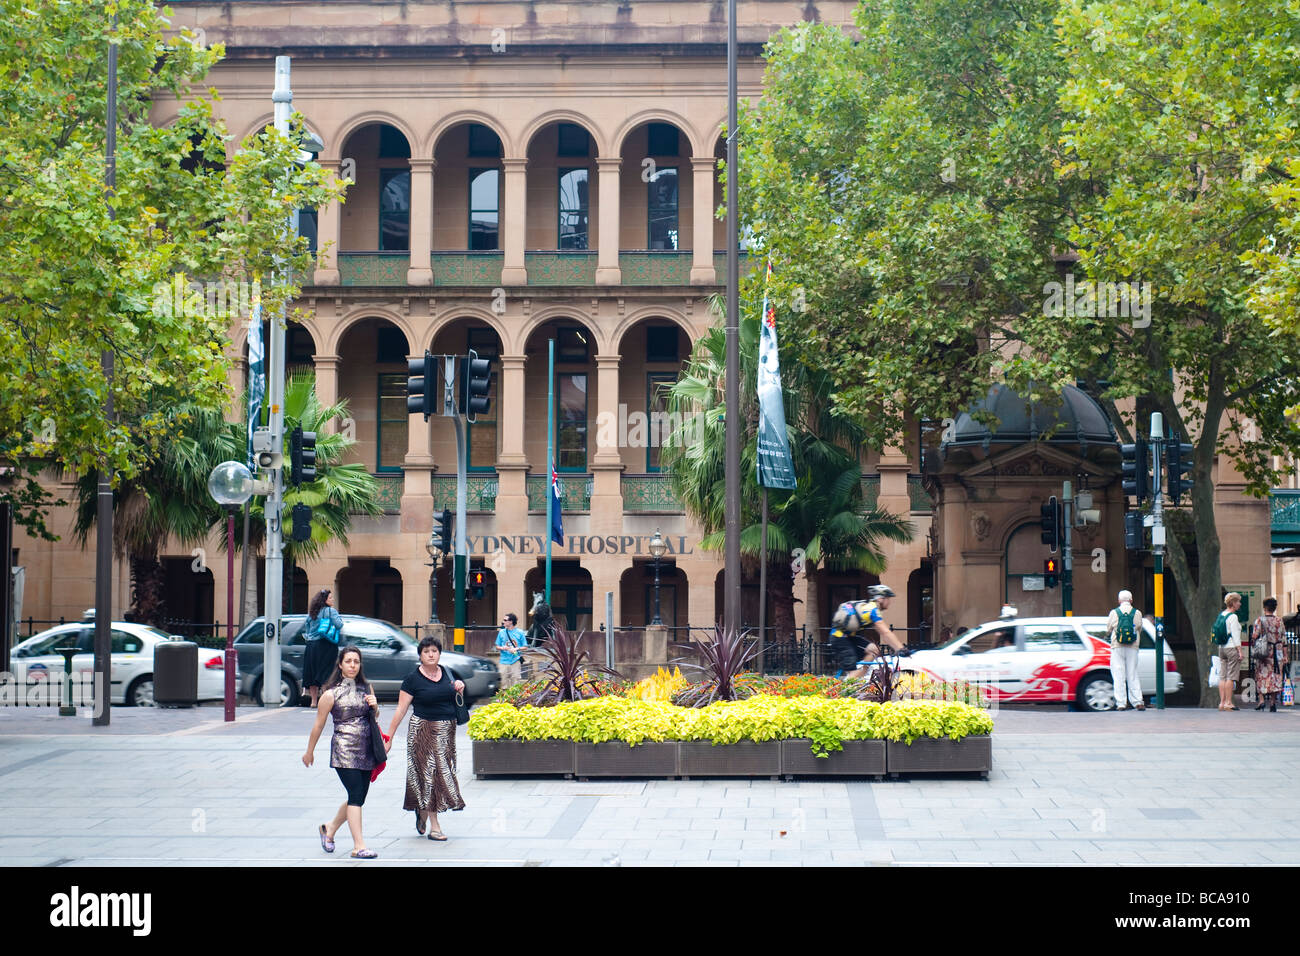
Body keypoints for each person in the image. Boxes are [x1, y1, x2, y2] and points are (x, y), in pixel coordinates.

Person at [302, 645, 380, 859]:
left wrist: (375, 706)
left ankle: (329, 828)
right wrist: (309, 751)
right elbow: (318, 725)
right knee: (355, 795)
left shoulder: (367, 688)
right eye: (348, 661)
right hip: (344, 749)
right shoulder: (330, 694)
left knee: (359, 796)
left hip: (366, 749)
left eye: (356, 661)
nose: (353, 665)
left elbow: (375, 716)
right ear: (340, 664)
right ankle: (359, 846)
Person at [385, 636, 466, 840]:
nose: (431, 655)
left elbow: (455, 699)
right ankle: (435, 826)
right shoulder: (412, 680)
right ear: (420, 655)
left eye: (434, 651)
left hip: (446, 732)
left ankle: (422, 811)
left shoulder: (448, 673)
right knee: (431, 776)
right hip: (422, 731)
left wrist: (460, 688)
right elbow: (401, 709)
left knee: (442, 774)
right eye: (426, 651)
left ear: (439, 653)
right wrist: (389, 737)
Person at [832, 585, 909, 679]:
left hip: (849, 637)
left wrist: (898, 648)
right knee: (852, 671)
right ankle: (846, 687)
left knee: (874, 649)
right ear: (881, 599)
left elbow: (883, 633)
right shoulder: (872, 610)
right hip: (840, 638)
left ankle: (859, 677)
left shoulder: (870, 607)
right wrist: (901, 649)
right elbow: (886, 632)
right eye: (888, 598)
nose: (889, 602)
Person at [302, 589, 344, 707]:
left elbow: (307, 628)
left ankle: (314, 701)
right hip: (326, 645)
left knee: (312, 672)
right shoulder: (331, 611)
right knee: (326, 672)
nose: (333, 600)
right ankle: (325, 699)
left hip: (311, 646)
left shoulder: (312, 613)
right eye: (330, 598)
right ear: (324, 600)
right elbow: (339, 625)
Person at [1106, 589, 1144, 710]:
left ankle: (1121, 703)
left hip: (1117, 646)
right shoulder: (1137, 612)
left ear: (1119, 600)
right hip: (1132, 647)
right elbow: (1139, 628)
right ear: (1131, 600)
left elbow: (1108, 629)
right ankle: (1137, 701)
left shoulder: (1114, 612)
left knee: (1118, 675)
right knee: (1132, 674)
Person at [1251, 597, 1288, 712]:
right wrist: (1285, 655)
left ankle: (1261, 700)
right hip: (1277, 652)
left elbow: (1254, 636)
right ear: (1274, 608)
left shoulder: (1260, 620)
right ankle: (1272, 702)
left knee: (1261, 675)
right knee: (1276, 676)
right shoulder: (1279, 621)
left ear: (1264, 607)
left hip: (1264, 652)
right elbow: (1284, 639)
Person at [1215, 592, 1244, 711]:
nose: (1240, 604)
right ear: (1233, 603)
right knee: (1231, 677)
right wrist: (1240, 651)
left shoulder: (1221, 614)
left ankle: (1221, 703)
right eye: (1238, 602)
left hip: (1221, 648)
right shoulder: (1233, 616)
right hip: (1231, 648)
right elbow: (1236, 636)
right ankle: (1228, 702)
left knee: (1222, 676)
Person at [495, 612, 528, 685]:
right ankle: (504, 696)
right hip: (503, 661)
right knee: (503, 682)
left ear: (511, 621)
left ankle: (515, 697)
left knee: (516, 681)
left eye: (505, 620)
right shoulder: (501, 632)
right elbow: (497, 646)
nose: (503, 622)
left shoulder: (520, 632)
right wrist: (503, 648)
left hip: (515, 660)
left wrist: (517, 649)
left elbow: (525, 646)